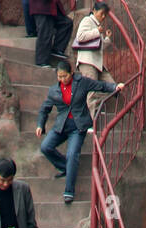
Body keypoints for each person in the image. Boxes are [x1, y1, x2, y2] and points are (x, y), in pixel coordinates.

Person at [36, 59, 123, 203]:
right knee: (45, 147)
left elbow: (99, 85)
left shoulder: (81, 82)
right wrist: (40, 124)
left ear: (71, 73)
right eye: (60, 77)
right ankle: (66, 167)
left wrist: (115, 87)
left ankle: (69, 191)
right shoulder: (54, 90)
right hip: (61, 126)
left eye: (65, 76)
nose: (63, 79)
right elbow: (44, 109)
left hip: (78, 126)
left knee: (72, 154)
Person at [74, 1, 114, 84]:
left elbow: (99, 45)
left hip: (97, 63)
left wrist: (107, 38)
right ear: (94, 10)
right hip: (88, 62)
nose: (103, 16)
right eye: (101, 13)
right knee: (91, 91)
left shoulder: (97, 25)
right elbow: (80, 37)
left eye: (105, 15)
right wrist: (96, 31)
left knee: (113, 87)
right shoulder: (87, 20)